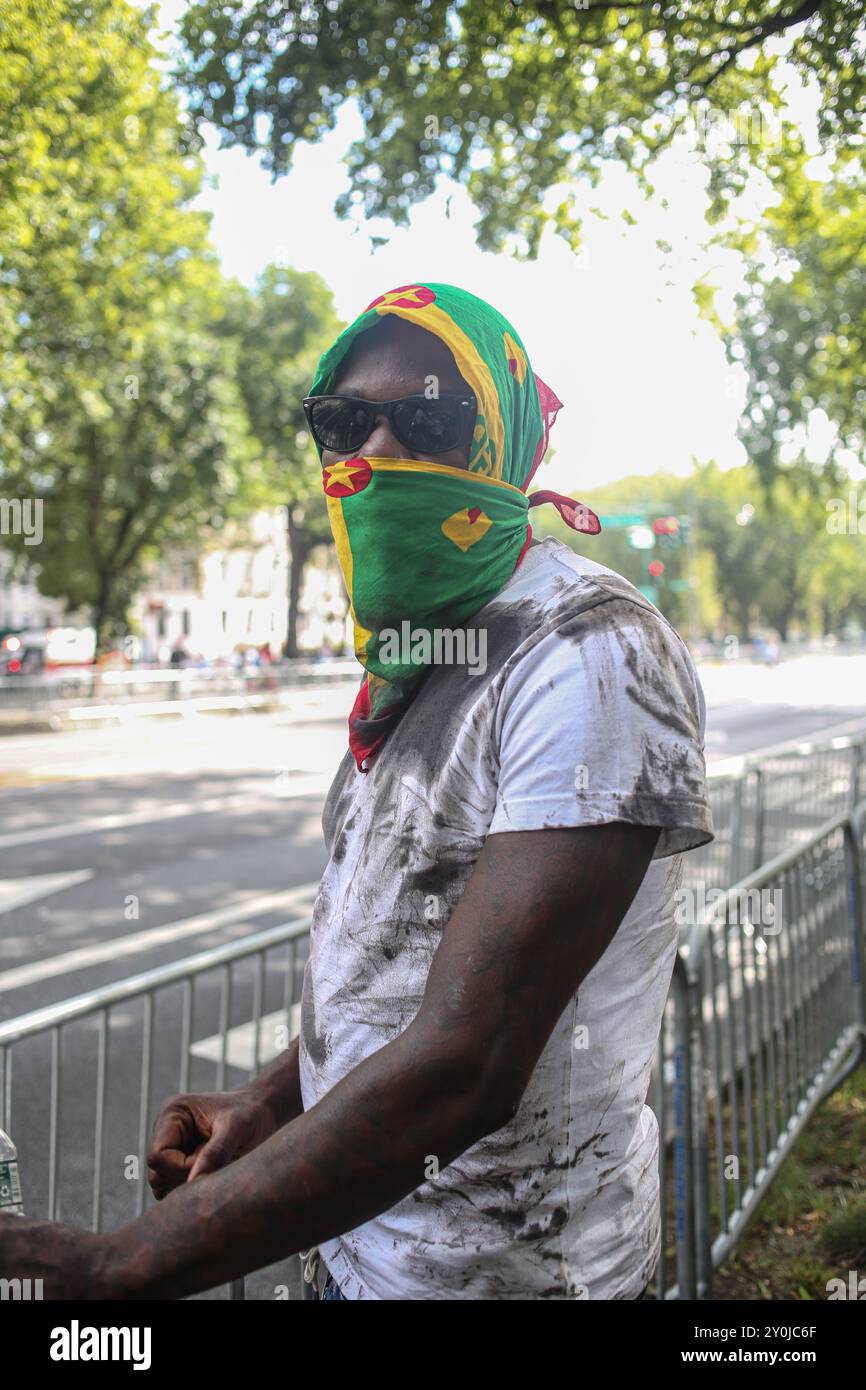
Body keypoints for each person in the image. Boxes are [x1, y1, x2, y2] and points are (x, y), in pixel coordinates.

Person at [0, 282, 713, 1300]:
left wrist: (118, 1265)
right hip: (358, 1261)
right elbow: (403, 963)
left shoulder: (589, 652)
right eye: (342, 420)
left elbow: (467, 1058)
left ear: (503, 446)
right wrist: (273, 1095)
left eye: (424, 418)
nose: (372, 450)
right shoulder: (410, 664)